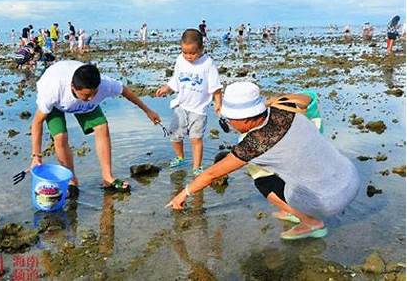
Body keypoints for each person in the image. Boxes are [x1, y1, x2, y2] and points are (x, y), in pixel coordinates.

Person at [166, 82, 361, 240]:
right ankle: (294, 208)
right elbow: (308, 96)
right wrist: (271, 102)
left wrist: (183, 194)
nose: (230, 125)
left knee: (261, 179)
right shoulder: (287, 108)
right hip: (351, 177)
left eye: (229, 120)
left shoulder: (254, 143)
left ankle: (311, 223)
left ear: (245, 119)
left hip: (328, 202)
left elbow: (211, 174)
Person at [30, 61, 161, 195]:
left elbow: (126, 91)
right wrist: (36, 156)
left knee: (102, 127)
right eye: (86, 95)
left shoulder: (104, 84)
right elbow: (37, 123)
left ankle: (107, 177)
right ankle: (71, 180)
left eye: (94, 93)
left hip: (83, 106)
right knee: (60, 137)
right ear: (73, 87)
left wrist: (148, 111)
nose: (91, 97)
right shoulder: (52, 90)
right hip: (58, 104)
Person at [155, 29, 222, 176]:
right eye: (185, 52)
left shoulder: (208, 63)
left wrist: (218, 104)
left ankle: (197, 167)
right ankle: (180, 157)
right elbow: (176, 78)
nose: (188, 56)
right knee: (174, 134)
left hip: (199, 109)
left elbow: (216, 87)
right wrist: (167, 88)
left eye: (192, 53)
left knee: (195, 138)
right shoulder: (180, 59)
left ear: (201, 49)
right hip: (182, 105)